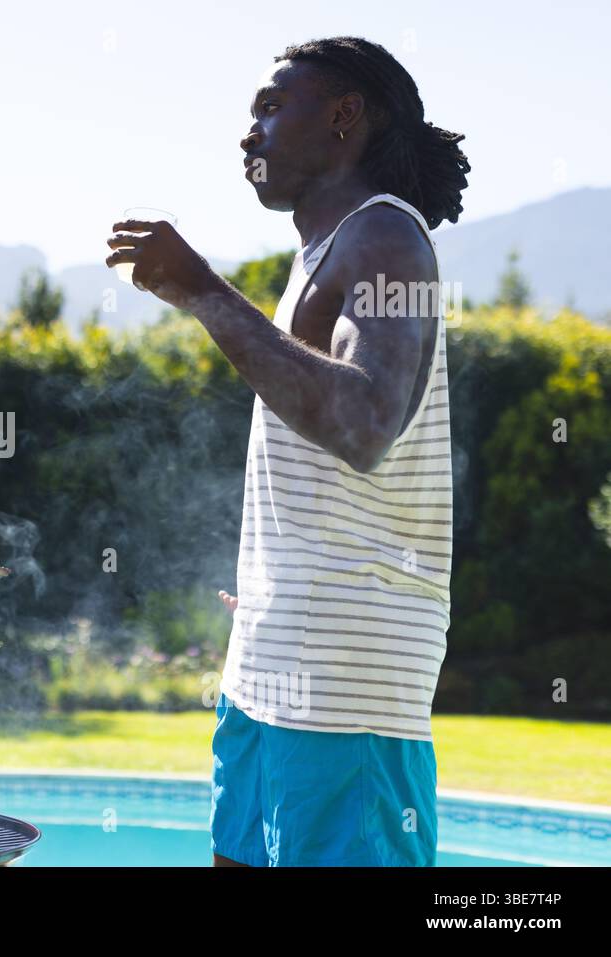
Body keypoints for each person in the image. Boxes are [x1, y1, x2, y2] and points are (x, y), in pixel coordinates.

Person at [106, 36, 469, 866]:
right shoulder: (324, 252)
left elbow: (365, 422)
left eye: (272, 109)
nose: (250, 134)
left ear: (345, 118)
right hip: (278, 647)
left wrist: (200, 288)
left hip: (349, 673)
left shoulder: (389, 241)